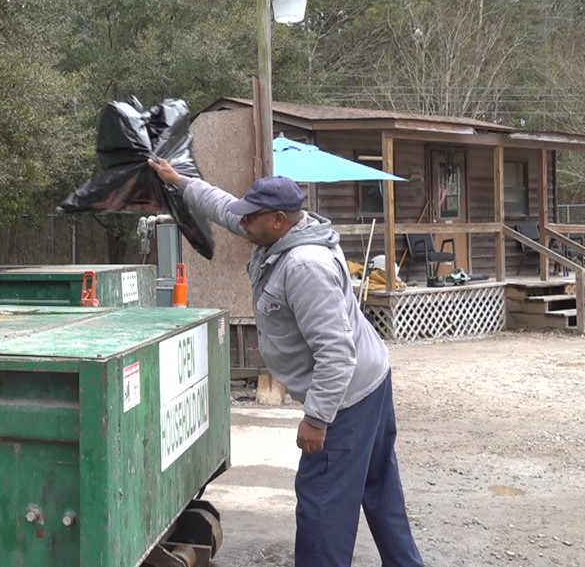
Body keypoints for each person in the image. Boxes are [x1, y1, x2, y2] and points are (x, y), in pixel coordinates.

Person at [148, 157, 424, 567]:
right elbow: (226, 208)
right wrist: (179, 181)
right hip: (371, 382)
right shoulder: (279, 233)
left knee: (323, 510)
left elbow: (336, 351)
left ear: (278, 220)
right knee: (380, 491)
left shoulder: (304, 266)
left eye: (251, 218)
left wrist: (316, 418)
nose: (242, 223)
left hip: (346, 398)